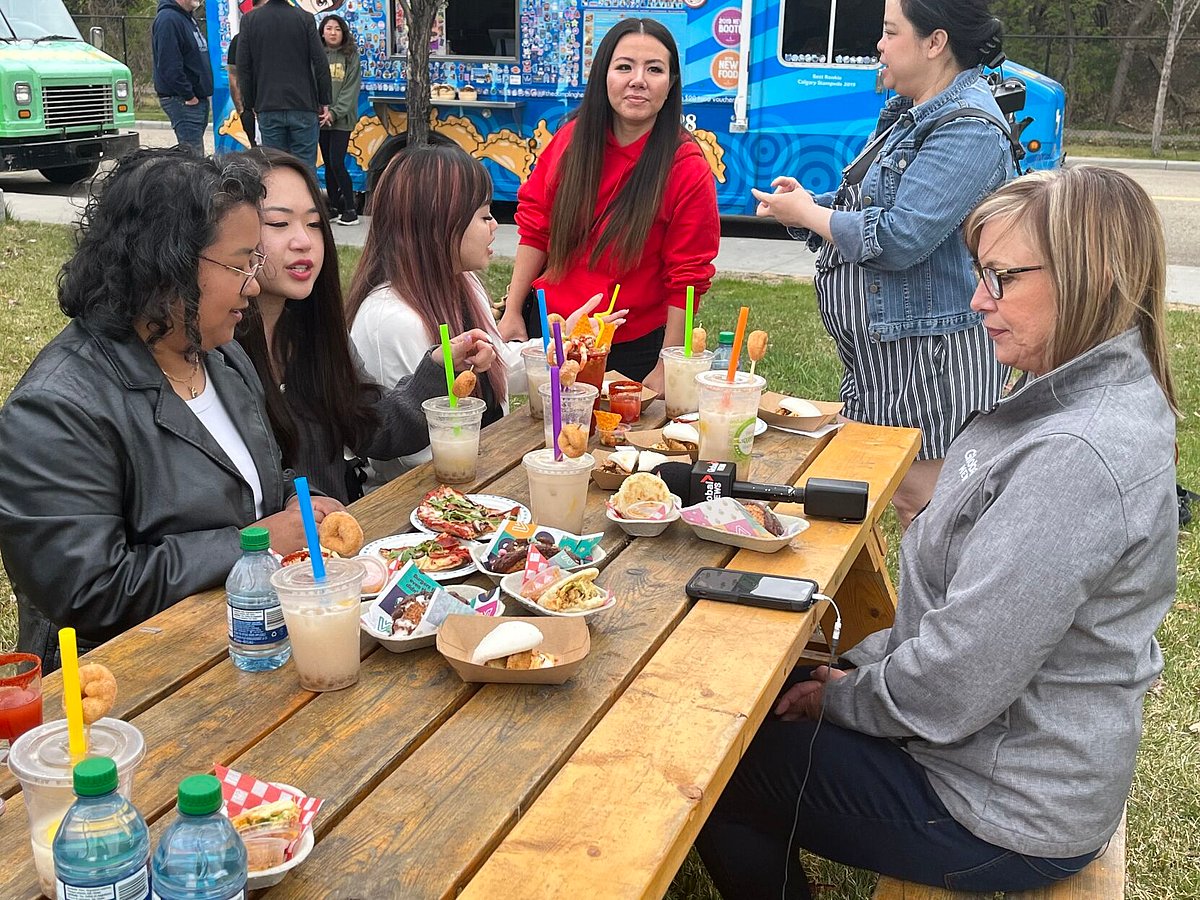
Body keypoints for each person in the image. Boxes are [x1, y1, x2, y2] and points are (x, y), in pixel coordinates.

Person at [695, 166, 1178, 898]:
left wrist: (836, 696)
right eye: (980, 273)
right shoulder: (1090, 393)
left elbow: (956, 685)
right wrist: (852, 668)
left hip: (1004, 809)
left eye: (1002, 278)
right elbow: (961, 633)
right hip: (1013, 759)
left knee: (711, 764)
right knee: (758, 697)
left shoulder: (1075, 453)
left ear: (1095, 276)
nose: (978, 299)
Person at [0, 149, 339, 671]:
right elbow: (90, 591)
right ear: (167, 265)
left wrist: (305, 508)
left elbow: (256, 480)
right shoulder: (57, 409)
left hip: (249, 647)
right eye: (241, 263)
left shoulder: (219, 354)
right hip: (135, 685)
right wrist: (256, 542)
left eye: (256, 263)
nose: (253, 285)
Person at [753, 0, 1017, 529]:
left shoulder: (969, 129)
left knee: (933, 509)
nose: (878, 45)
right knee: (897, 500)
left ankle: (946, 613)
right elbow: (876, 206)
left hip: (933, 365)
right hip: (892, 359)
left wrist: (811, 214)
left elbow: (901, 236)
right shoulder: (913, 113)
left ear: (935, 42)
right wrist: (810, 207)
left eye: (890, 32)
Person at [346, 144, 625, 487]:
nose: (495, 225)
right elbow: (416, 451)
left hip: (484, 480)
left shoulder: (464, 284)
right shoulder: (392, 320)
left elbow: (496, 368)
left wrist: (560, 345)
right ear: (439, 223)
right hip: (425, 504)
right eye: (484, 215)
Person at [235, 147, 496, 503]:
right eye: (280, 223)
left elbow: (373, 427)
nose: (304, 241)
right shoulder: (213, 353)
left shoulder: (314, 331)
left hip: (336, 544)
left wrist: (438, 367)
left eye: (314, 223)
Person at [496, 18, 719, 392]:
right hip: (553, 332)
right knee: (548, 438)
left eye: (654, 69)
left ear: (671, 83)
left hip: (633, 346)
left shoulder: (686, 167)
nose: (638, 80)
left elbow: (687, 278)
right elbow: (536, 227)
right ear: (603, 75)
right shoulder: (570, 141)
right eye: (624, 66)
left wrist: (668, 364)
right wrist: (514, 311)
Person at [236, 0, 332, 169]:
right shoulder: (305, 18)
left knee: (275, 167)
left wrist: (250, 103)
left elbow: (243, 67)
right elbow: (320, 62)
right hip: (303, 104)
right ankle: (305, 195)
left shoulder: (250, 19)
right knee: (306, 167)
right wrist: (324, 100)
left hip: (267, 104)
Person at [152, 0, 213, 153]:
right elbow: (169, 65)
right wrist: (188, 95)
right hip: (182, 101)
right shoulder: (168, 19)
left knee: (195, 155)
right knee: (192, 159)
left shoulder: (187, 18)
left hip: (196, 100)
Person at [319, 14, 362, 226]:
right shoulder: (317, 54)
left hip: (341, 119)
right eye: (329, 28)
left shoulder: (350, 55)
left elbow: (350, 89)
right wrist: (320, 111)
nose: (333, 32)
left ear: (343, 32)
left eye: (337, 29)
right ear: (322, 32)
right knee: (327, 163)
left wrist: (334, 112)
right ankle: (333, 207)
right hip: (320, 119)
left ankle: (350, 207)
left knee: (337, 162)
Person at [227, 0, 266, 147]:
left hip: (275, 107)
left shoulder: (279, 38)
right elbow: (233, 75)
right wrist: (241, 110)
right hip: (250, 110)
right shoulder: (239, 40)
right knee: (258, 154)